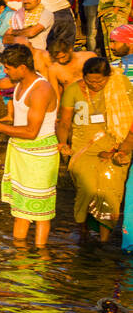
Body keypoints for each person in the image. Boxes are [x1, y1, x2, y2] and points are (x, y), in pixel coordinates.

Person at [0, 43, 60, 246]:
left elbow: (31, 132)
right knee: (20, 209)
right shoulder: (18, 81)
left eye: (8, 68)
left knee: (41, 213)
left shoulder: (41, 89)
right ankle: (18, 253)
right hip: (22, 153)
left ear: (22, 67)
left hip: (40, 155)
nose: (6, 72)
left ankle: (40, 256)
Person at [56, 56, 133, 243]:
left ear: (109, 77)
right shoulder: (74, 90)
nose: (95, 85)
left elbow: (130, 121)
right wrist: (62, 143)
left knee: (110, 192)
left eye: (100, 81)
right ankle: (82, 231)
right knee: (86, 190)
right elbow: (65, 122)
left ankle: (103, 240)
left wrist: (123, 150)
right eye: (90, 81)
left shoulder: (119, 86)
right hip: (83, 148)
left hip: (115, 146)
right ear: (83, 77)